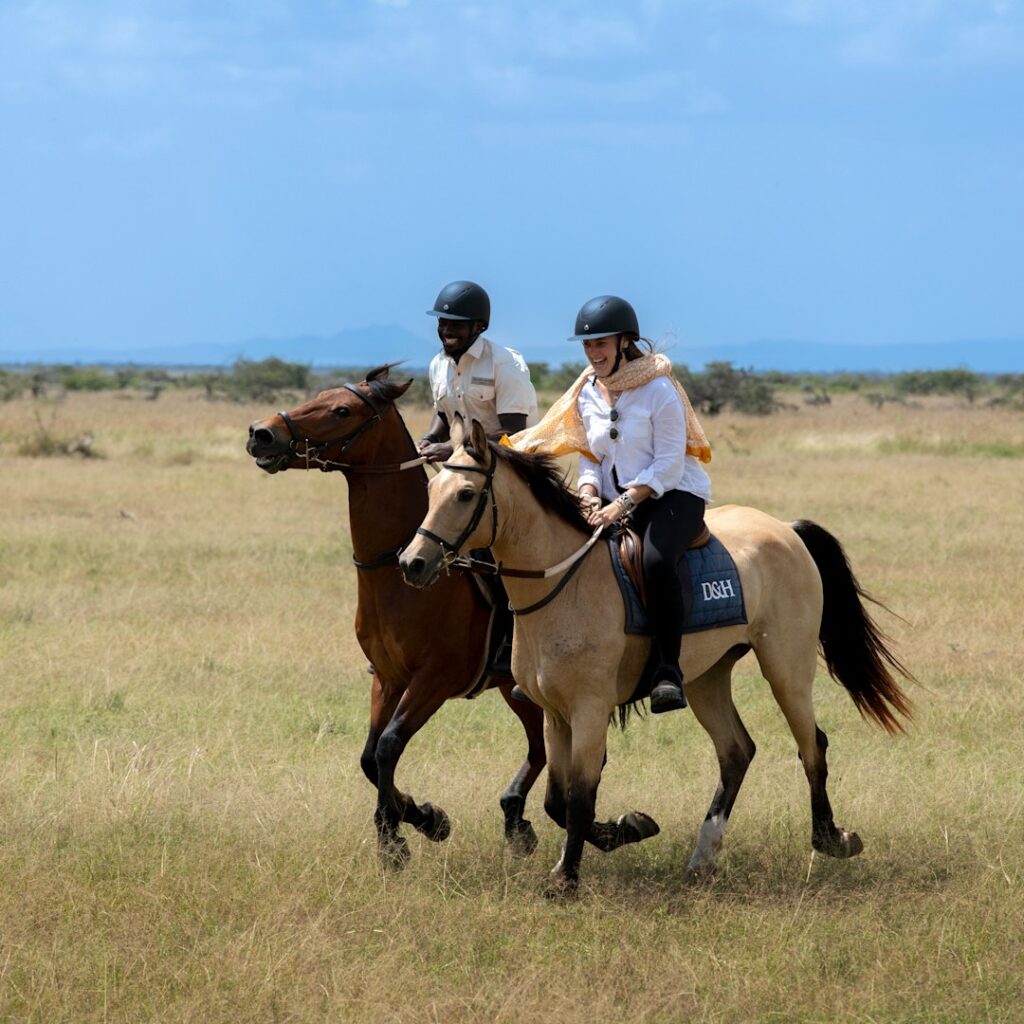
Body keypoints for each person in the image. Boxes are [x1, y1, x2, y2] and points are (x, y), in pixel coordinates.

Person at [511, 296, 712, 714]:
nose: (593, 353)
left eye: (601, 343)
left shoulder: (660, 390)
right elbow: (590, 455)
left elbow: (670, 464)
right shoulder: (587, 392)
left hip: (673, 495)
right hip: (610, 497)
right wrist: (586, 494)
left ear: (624, 342)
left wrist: (619, 505)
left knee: (656, 560)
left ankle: (667, 670)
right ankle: (540, 663)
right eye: (587, 346)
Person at [418, 281, 538, 463]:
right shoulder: (438, 364)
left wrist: (454, 449)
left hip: (512, 467)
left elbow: (514, 434)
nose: (447, 331)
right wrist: (430, 439)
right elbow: (444, 413)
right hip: (467, 466)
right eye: (442, 323)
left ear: (478, 327)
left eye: (456, 325)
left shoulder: (505, 363)